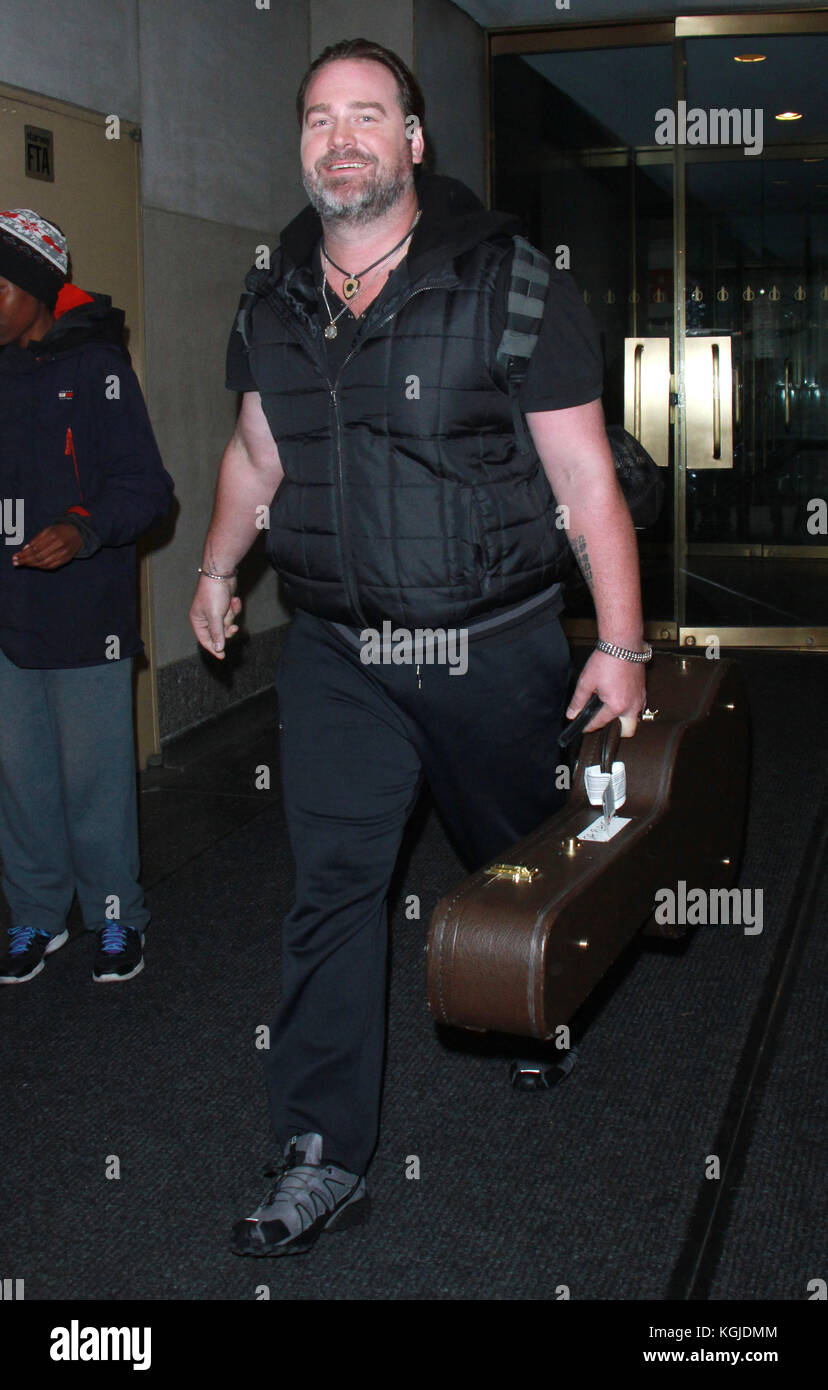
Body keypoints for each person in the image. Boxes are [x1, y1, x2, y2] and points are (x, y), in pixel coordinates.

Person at [189, 39, 648, 1258]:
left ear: (413, 141)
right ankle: (322, 1152)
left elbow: (583, 476)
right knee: (334, 889)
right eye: (320, 118)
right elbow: (257, 455)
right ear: (304, 144)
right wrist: (217, 565)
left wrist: (622, 644)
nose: (341, 138)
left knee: (514, 856)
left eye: (368, 116)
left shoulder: (506, 282)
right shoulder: (273, 294)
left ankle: (548, 1001)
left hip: (488, 643)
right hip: (339, 650)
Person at [0, 209, 173, 986]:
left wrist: (81, 529)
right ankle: (36, 915)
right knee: (19, 778)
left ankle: (114, 918)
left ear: (37, 293)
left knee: (94, 781)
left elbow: (147, 490)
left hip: (86, 620)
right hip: (7, 621)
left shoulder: (99, 369)